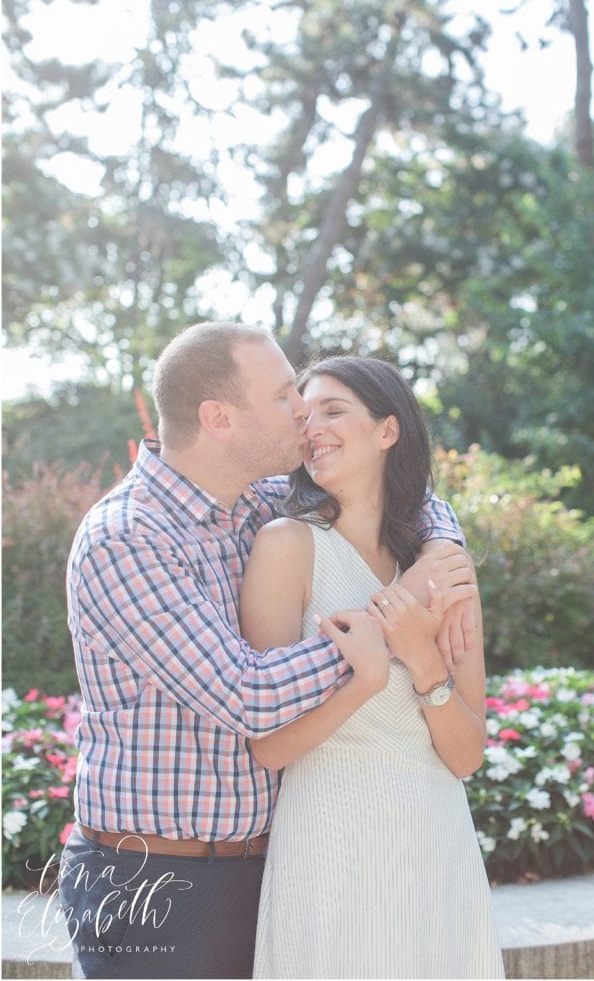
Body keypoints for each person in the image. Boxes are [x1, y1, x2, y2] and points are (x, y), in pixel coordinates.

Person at [58, 321, 472, 980]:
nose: (303, 409)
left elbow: (396, 491)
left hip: (274, 865)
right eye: (284, 396)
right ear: (219, 418)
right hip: (159, 881)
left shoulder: (254, 502)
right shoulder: (127, 537)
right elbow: (246, 694)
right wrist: (390, 618)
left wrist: (442, 544)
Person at [240, 355, 505, 979]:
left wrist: (423, 661)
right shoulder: (285, 547)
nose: (313, 428)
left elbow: (466, 756)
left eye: (335, 410)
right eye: (306, 415)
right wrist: (366, 679)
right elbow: (269, 747)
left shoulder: (441, 566)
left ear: (388, 431)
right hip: (330, 841)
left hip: (436, 842)